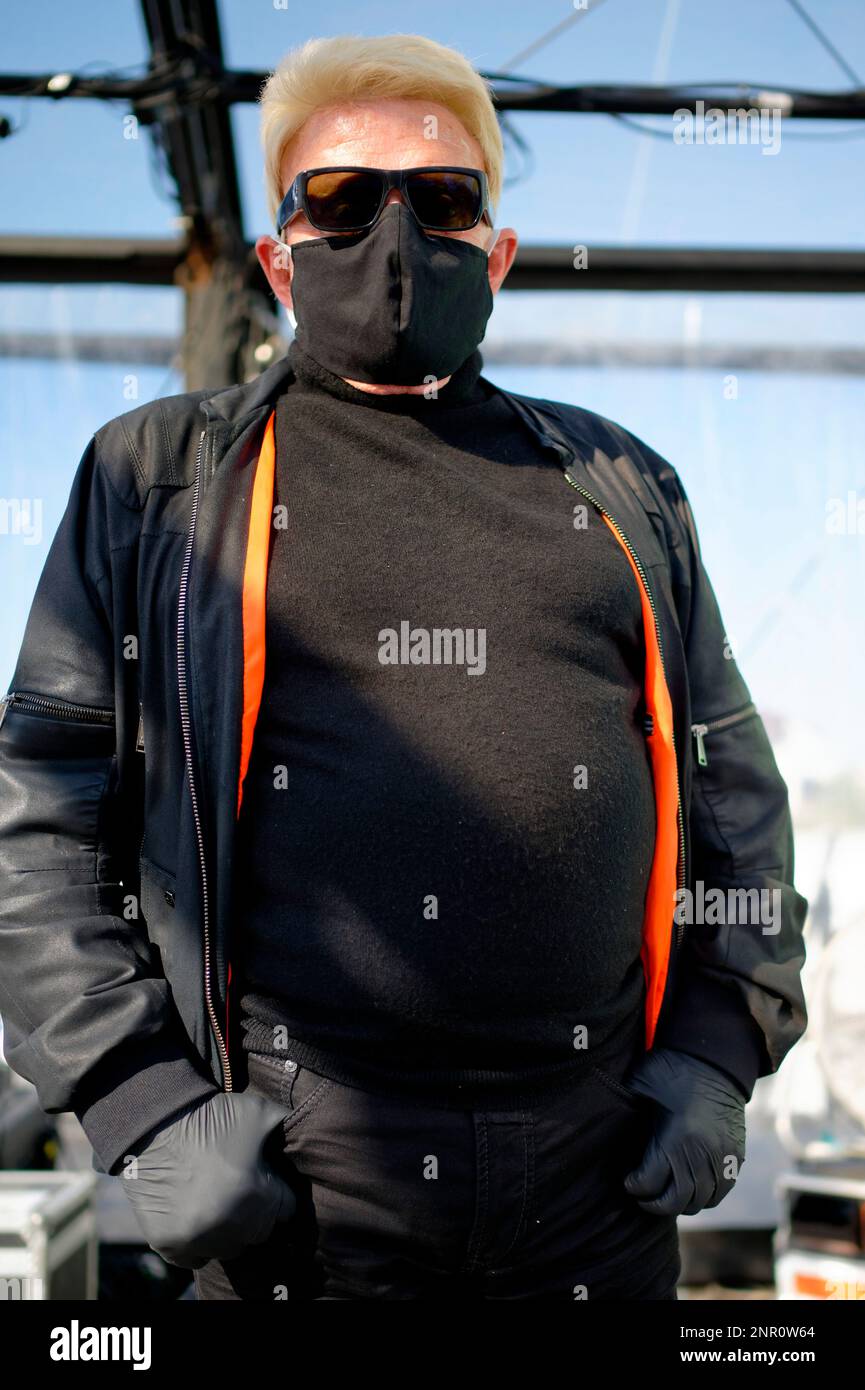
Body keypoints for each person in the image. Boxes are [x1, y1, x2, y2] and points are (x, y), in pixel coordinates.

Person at [0, 33, 807, 1300]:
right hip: (296, 1198)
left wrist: (715, 1048)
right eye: (340, 198)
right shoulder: (157, 480)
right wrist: (141, 1103)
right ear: (276, 256)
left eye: (438, 200)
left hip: (601, 1180)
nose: (391, 232)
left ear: (497, 252)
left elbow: (736, 806)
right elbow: (37, 821)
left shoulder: (623, 484)